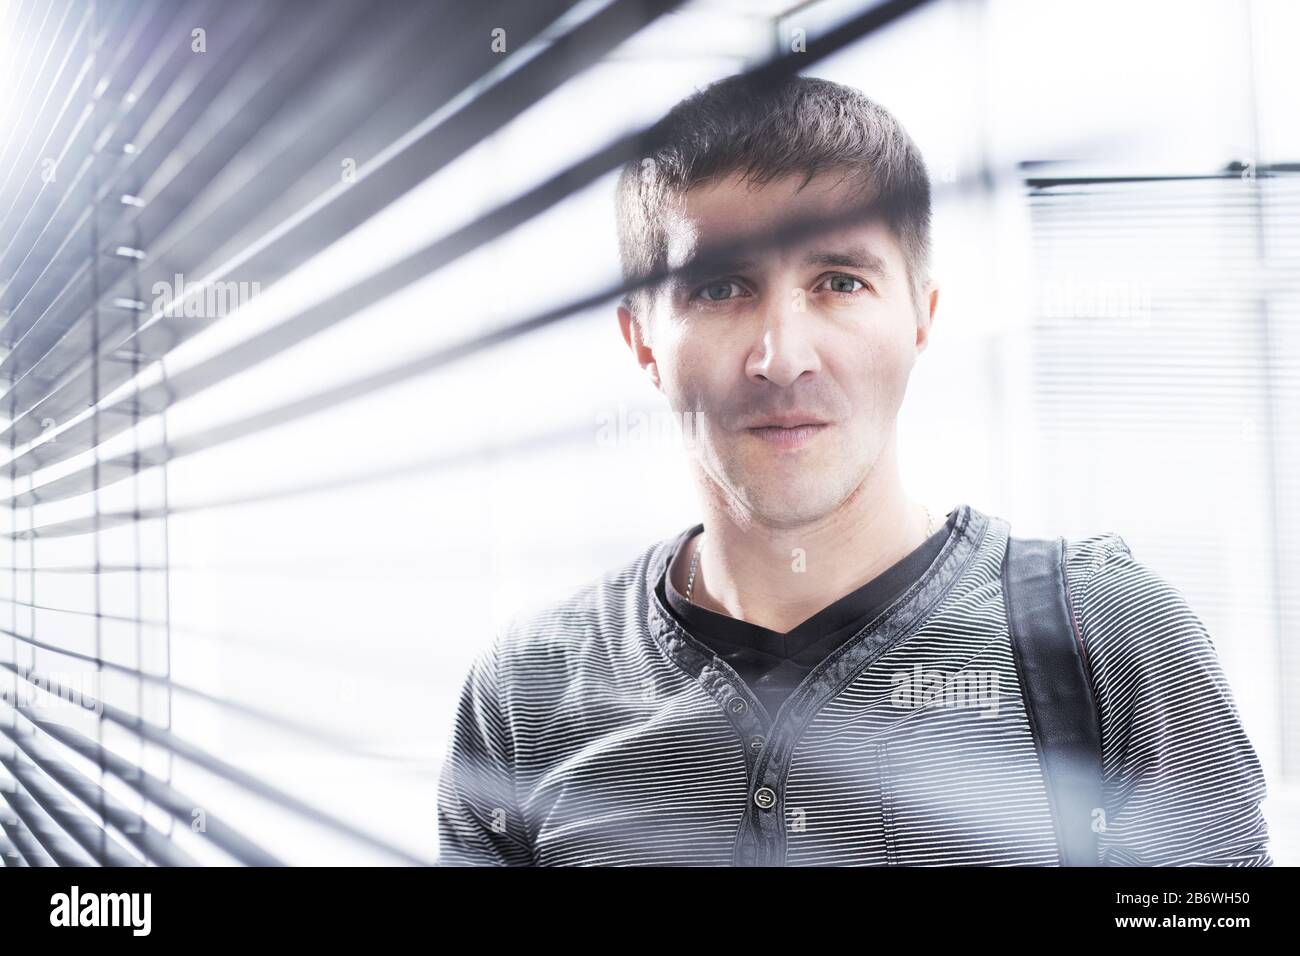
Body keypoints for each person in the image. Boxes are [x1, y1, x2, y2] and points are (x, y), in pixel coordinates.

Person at [436, 73, 1271, 866]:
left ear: (921, 317)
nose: (783, 357)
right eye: (722, 288)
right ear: (643, 341)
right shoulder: (524, 692)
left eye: (839, 281)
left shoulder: (1109, 639)